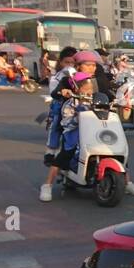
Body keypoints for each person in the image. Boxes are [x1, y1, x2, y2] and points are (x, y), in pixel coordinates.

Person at [40, 50, 100, 202]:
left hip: (94, 127)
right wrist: (63, 92)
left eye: (94, 65)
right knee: (66, 153)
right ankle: (47, 185)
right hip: (72, 127)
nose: (92, 68)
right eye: (88, 65)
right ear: (79, 66)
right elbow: (56, 94)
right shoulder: (69, 80)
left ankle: (126, 182)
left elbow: (106, 95)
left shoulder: (96, 80)